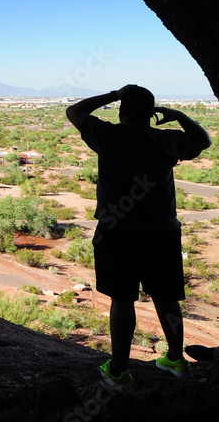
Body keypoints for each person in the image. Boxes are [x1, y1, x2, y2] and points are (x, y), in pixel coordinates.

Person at [66, 84, 211, 386]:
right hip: (162, 230)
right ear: (151, 113)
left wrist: (113, 94)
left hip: (117, 230)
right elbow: (203, 140)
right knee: (166, 297)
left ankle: (119, 369)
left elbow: (74, 111)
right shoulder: (168, 139)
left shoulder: (108, 136)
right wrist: (180, 115)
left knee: (122, 299)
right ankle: (176, 359)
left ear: (120, 111)